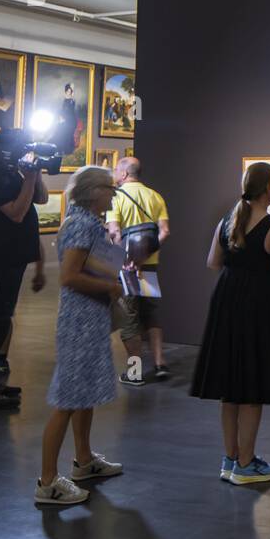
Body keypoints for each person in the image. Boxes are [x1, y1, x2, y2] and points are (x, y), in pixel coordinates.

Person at [191, 161, 270, 485]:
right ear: (268, 189)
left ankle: (230, 458)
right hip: (257, 306)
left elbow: (213, 262)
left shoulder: (227, 220)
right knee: (252, 385)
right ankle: (247, 463)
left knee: (230, 386)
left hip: (226, 301)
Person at [35, 166, 124, 504]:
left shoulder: (87, 222)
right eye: (109, 188)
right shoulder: (82, 224)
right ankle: (47, 481)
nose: (114, 194)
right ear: (92, 191)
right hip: (79, 321)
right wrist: (111, 286)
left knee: (82, 394)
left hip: (90, 318)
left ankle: (84, 461)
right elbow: (69, 277)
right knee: (68, 400)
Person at [0, 137, 48, 410]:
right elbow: (16, 213)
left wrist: (33, 174)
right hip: (0, 260)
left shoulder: (9, 175)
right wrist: (27, 179)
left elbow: (41, 198)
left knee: (0, 322)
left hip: (11, 260)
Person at [106, 156, 171, 384]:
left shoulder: (115, 198)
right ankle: (160, 363)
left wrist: (127, 259)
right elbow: (164, 232)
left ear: (124, 174)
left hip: (127, 266)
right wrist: (145, 255)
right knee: (150, 313)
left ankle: (134, 373)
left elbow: (114, 233)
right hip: (150, 263)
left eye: (115, 170)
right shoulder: (155, 196)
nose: (114, 173)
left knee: (129, 318)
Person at [53, 84, 79, 155]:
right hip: (66, 120)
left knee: (68, 134)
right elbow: (63, 111)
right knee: (61, 132)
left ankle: (67, 150)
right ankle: (61, 149)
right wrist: (61, 118)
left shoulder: (72, 100)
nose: (69, 93)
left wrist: (64, 119)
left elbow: (70, 111)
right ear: (65, 91)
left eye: (70, 91)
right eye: (67, 91)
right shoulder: (64, 100)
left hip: (71, 120)